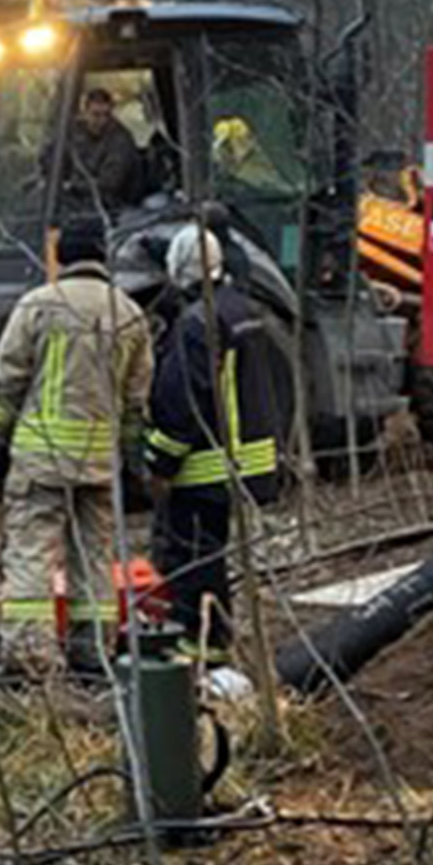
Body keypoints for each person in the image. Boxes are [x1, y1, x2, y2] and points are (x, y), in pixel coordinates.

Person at [0, 219, 154, 671]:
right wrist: (134, 460)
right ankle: (93, 649)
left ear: (61, 256)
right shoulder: (129, 314)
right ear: (103, 257)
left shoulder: (38, 306)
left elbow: (6, 383)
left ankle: (32, 655)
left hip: (40, 459)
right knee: (95, 556)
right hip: (99, 461)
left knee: (32, 554)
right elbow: (137, 400)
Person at [144, 225, 283, 654]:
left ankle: (196, 651)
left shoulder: (196, 323)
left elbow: (181, 402)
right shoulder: (245, 310)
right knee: (214, 558)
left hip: (207, 467)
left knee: (191, 564)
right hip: (248, 460)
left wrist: (158, 461)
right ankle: (218, 644)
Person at [65, 87, 142, 209]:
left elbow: (110, 183)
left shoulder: (120, 140)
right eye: (95, 115)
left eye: (106, 115)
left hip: (113, 207)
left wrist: (72, 186)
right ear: (85, 113)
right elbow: (52, 156)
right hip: (74, 201)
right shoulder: (73, 132)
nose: (102, 121)